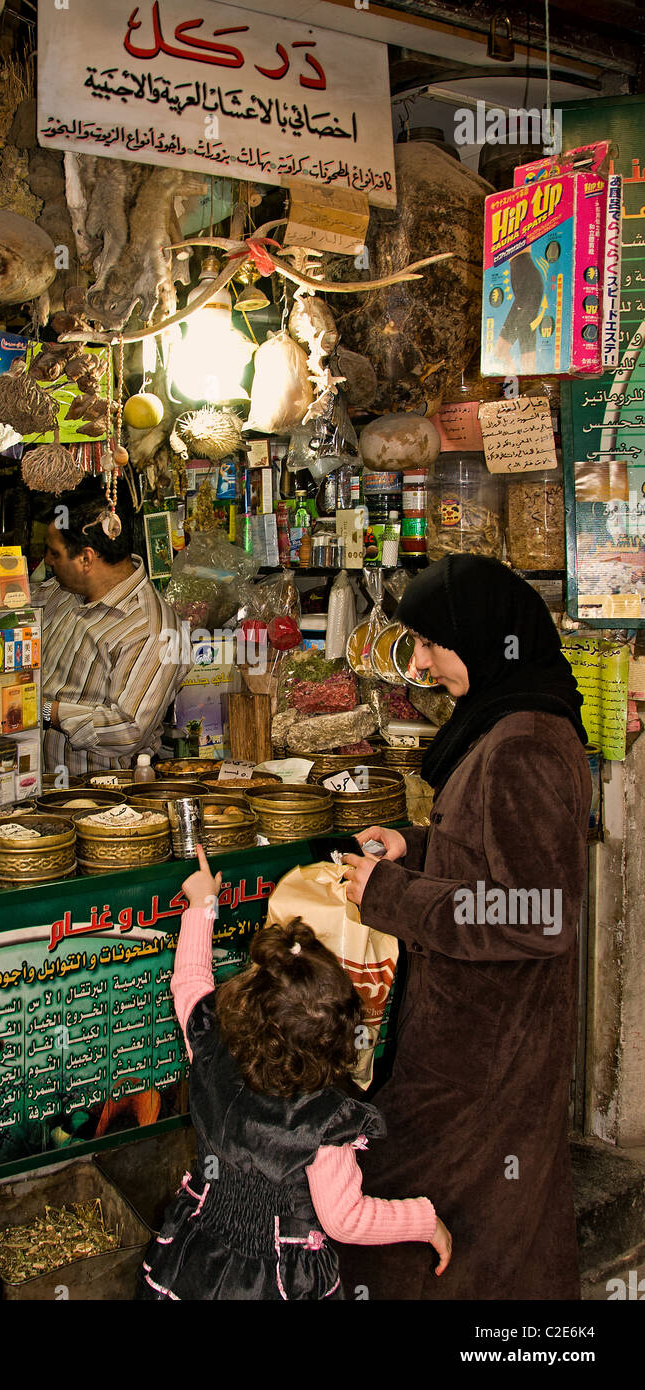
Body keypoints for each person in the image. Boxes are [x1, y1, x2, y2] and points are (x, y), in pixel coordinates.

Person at [338, 553, 591, 1301]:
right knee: (489, 1231)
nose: (418, 662)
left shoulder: (525, 746)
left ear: (484, 640)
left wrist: (394, 896)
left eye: (430, 643)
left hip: (488, 1048)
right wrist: (412, 851)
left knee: (443, 1225)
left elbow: (538, 914)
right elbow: (496, 860)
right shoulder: (505, 721)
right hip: (470, 1032)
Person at [138, 845, 451, 1301]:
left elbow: (190, 983)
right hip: (280, 1281)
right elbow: (346, 1219)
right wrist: (426, 1221)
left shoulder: (210, 1048)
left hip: (196, 1261)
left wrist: (202, 904)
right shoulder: (323, 1123)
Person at [34, 476, 190, 775]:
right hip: (34, 787)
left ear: (86, 558)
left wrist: (42, 711)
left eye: (54, 553)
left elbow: (128, 729)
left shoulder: (152, 630)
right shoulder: (61, 592)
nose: (47, 561)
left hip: (99, 796)